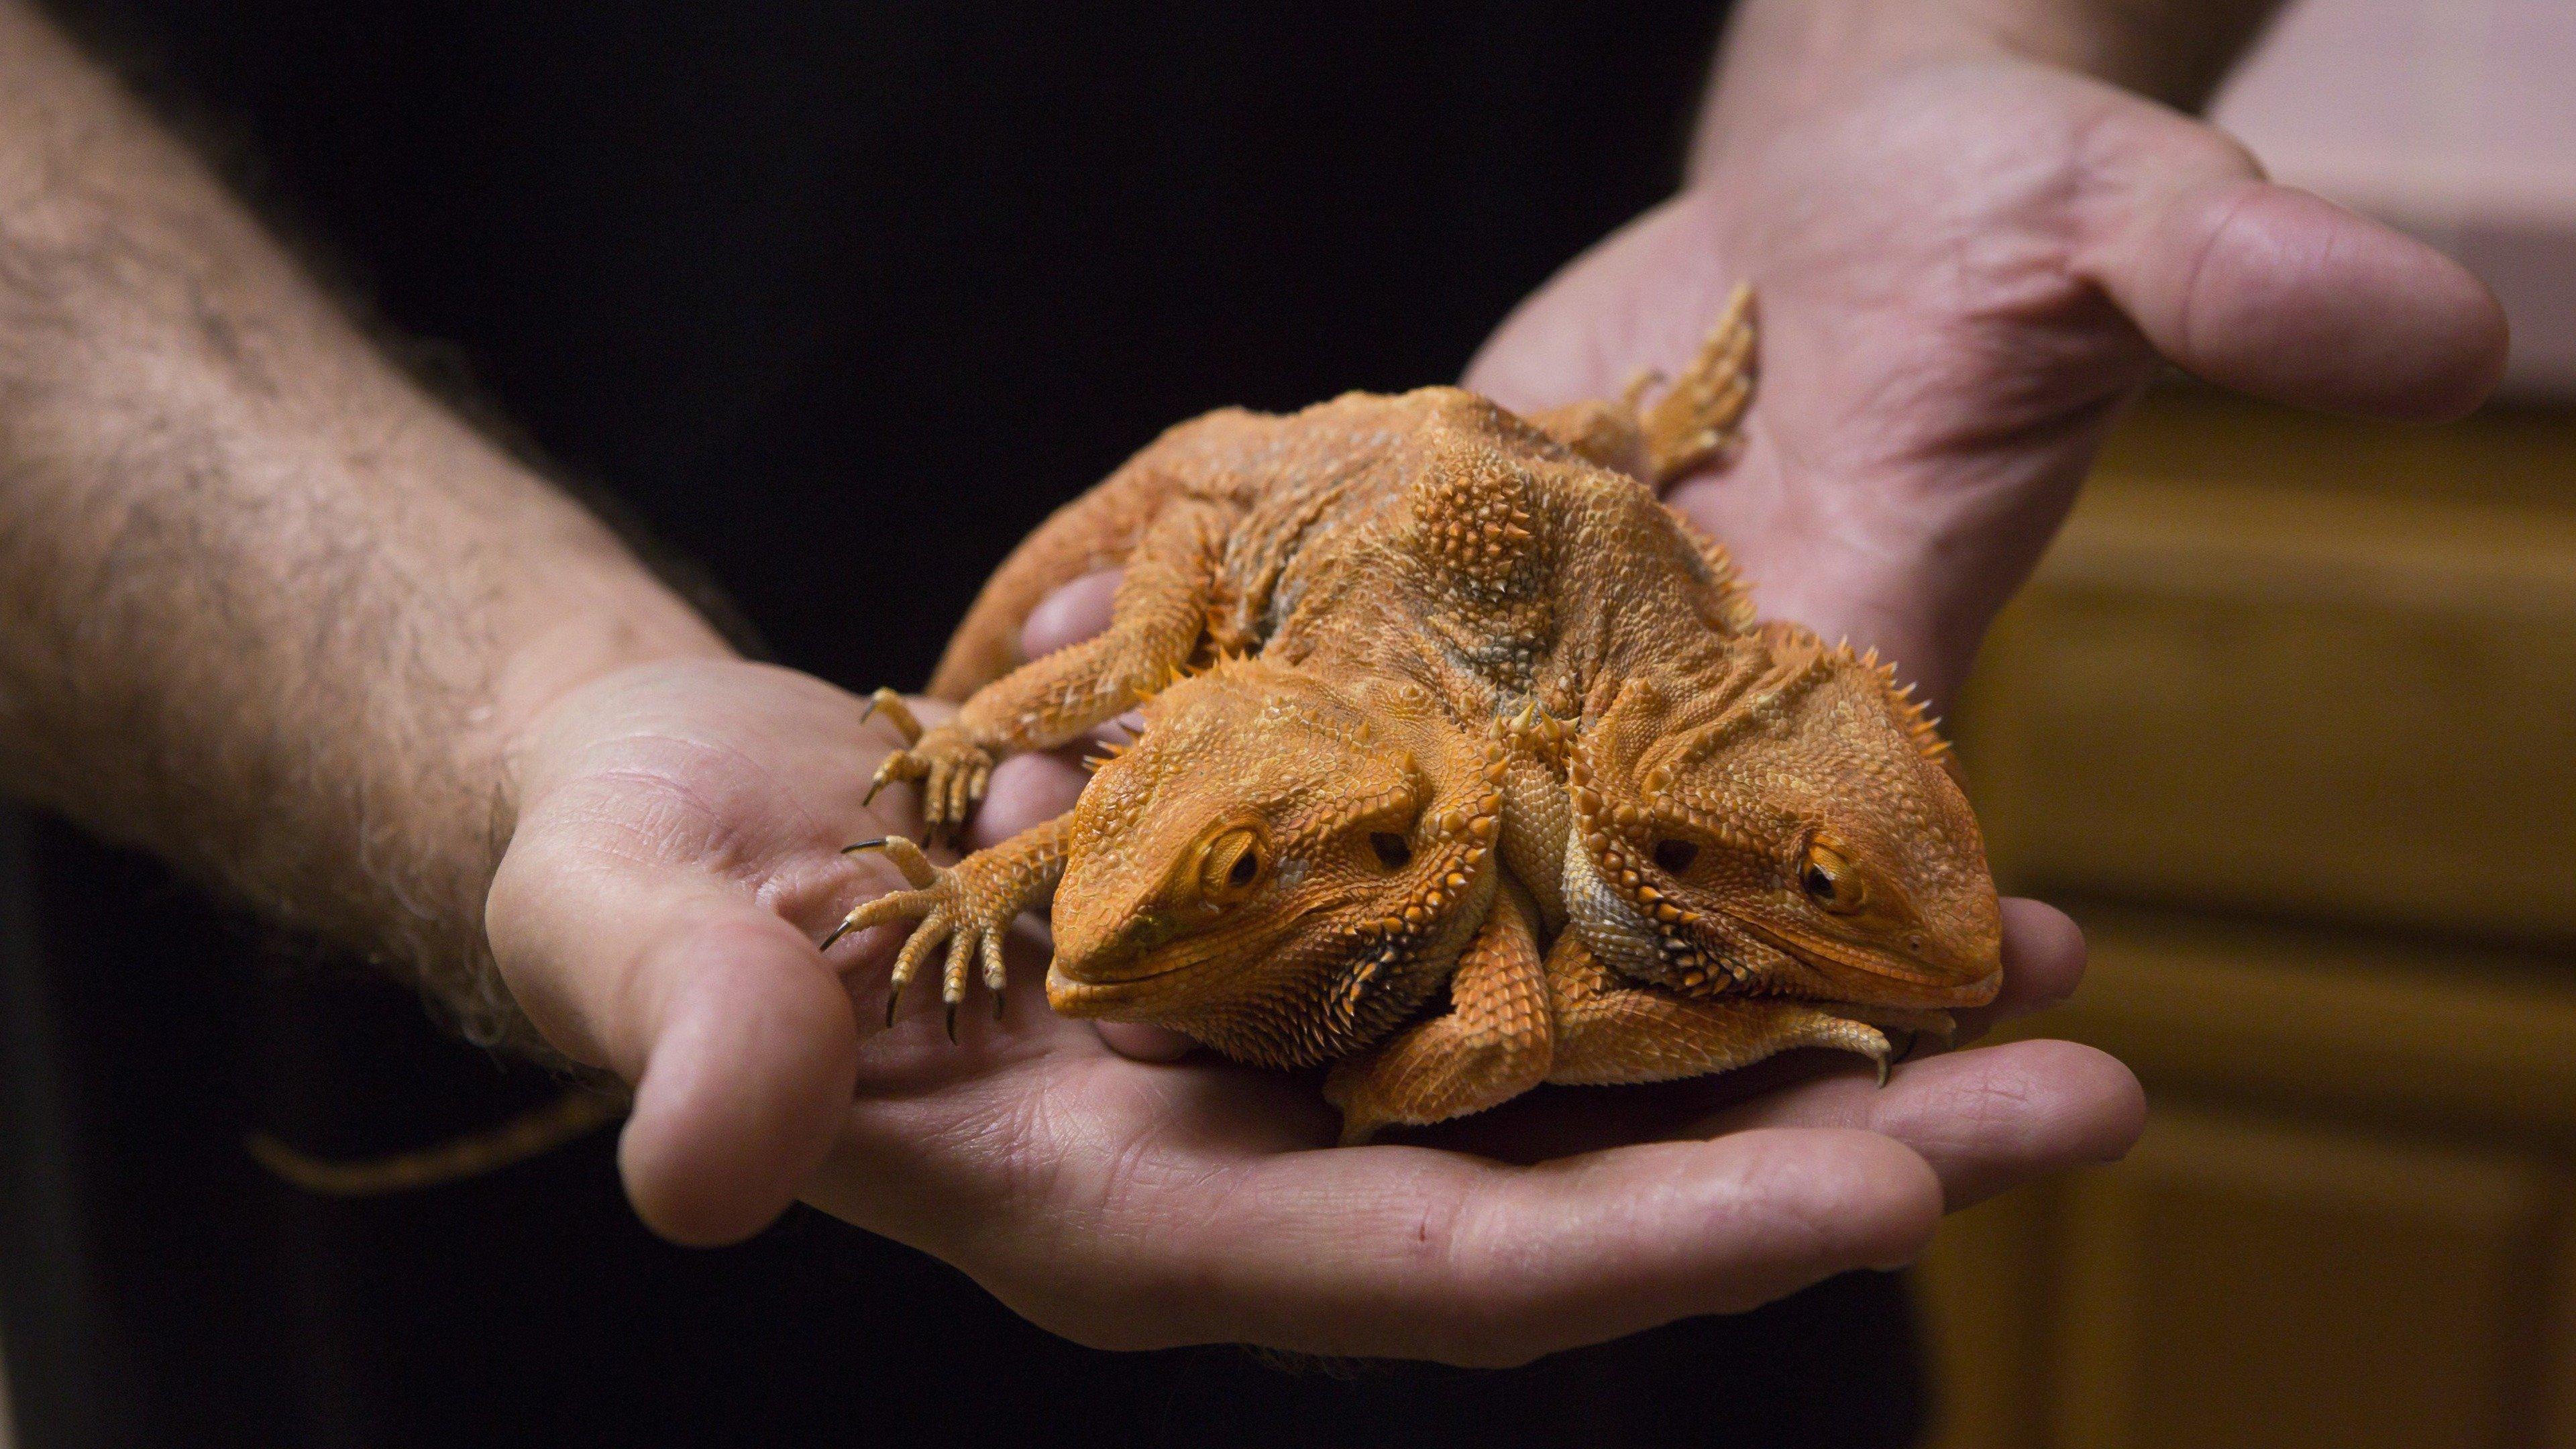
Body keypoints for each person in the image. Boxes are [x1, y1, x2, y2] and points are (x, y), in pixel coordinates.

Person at [0, 0, 2503, 1442]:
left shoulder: (1570, 739)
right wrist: (938, 788)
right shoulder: (1295, 702)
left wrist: (1917, 68)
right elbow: (1163, 694)